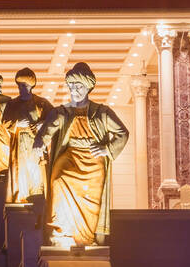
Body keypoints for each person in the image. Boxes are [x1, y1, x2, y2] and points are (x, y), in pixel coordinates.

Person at [34, 63, 128, 247]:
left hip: (94, 161)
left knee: (91, 202)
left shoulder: (102, 112)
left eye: (79, 86)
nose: (75, 90)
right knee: (58, 181)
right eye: (72, 86)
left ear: (88, 87)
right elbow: (46, 130)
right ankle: (61, 231)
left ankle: (86, 237)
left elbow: (122, 133)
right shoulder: (61, 112)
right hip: (69, 156)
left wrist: (107, 149)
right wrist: (39, 141)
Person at [1, 68, 52, 202]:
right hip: (19, 145)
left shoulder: (42, 103)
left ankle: (38, 198)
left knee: (37, 174)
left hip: (36, 144)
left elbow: (55, 119)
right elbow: (5, 121)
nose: (21, 88)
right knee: (21, 173)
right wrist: (17, 123)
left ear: (30, 86)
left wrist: (43, 124)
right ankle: (21, 198)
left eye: (24, 86)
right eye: (19, 85)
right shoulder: (12, 104)